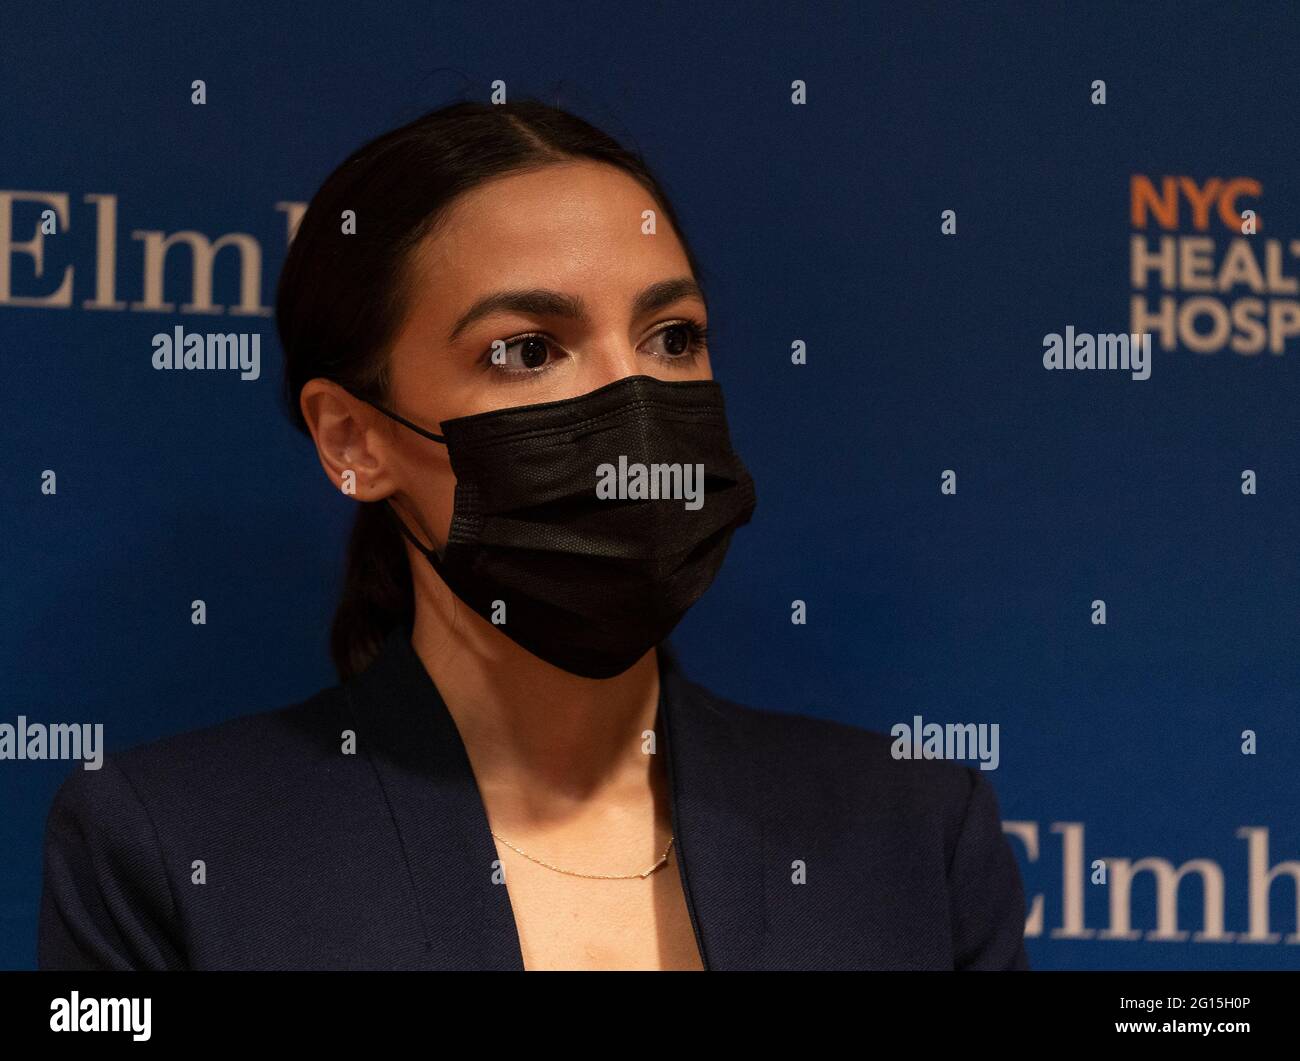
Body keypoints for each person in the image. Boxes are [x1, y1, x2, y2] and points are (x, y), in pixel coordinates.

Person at [37, 99, 1030, 971]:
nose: (633, 407)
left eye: (671, 337)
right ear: (353, 438)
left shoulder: (911, 832)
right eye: (527, 351)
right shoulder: (172, 844)